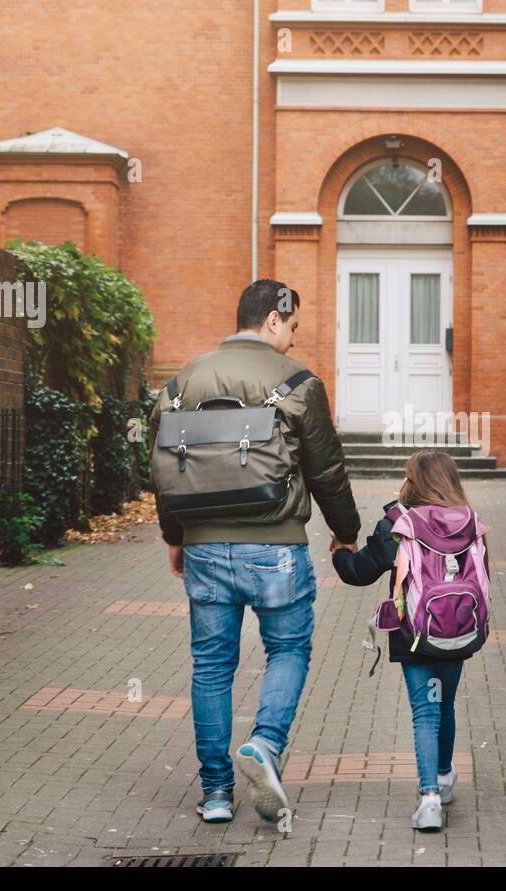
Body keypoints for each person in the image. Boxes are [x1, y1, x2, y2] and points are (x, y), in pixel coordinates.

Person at [150, 279, 360, 824]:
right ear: (272, 320)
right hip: (275, 547)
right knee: (288, 649)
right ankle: (265, 744)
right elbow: (327, 470)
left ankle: (216, 793)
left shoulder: (178, 384)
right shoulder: (298, 383)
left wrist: (176, 537)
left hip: (203, 547)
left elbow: (167, 472)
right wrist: (346, 531)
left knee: (212, 666)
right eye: (291, 327)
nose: (293, 340)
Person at [331, 450, 486, 832]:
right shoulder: (471, 523)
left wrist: (339, 554)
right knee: (445, 705)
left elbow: (359, 572)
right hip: (459, 630)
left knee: (424, 712)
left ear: (414, 482)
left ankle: (429, 798)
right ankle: (446, 778)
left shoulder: (399, 525)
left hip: (414, 633)